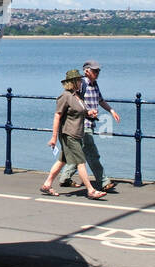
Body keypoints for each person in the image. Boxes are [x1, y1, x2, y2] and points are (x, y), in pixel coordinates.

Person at [42, 69, 107, 199]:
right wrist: (54, 137)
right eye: (78, 80)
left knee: (62, 160)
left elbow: (82, 111)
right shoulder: (65, 96)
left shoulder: (77, 96)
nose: (81, 82)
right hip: (68, 134)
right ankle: (91, 190)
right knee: (81, 162)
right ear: (72, 82)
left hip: (77, 133)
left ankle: (47, 184)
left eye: (80, 80)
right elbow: (57, 116)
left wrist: (90, 113)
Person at [63, 59, 120, 192]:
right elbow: (73, 99)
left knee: (79, 152)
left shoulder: (95, 84)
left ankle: (65, 178)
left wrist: (111, 111)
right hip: (82, 123)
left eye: (98, 70)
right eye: (95, 71)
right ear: (86, 71)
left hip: (89, 123)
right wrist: (87, 111)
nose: (97, 73)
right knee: (92, 153)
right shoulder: (81, 84)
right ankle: (104, 181)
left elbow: (100, 100)